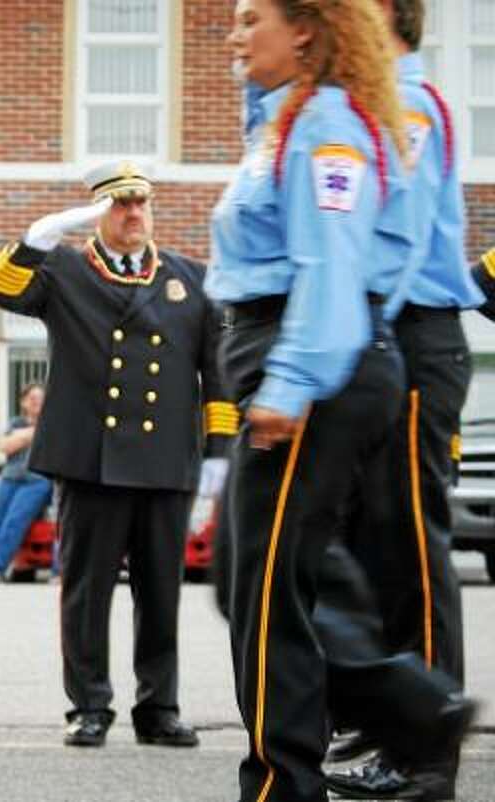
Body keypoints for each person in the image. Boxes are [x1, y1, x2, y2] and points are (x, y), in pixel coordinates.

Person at [209, 3, 471, 800]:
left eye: (252, 16)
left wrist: (295, 381)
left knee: (311, 577)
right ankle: (405, 705)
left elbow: (338, 262)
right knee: (275, 573)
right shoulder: (293, 115)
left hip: (334, 348)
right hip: (311, 348)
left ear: (309, 29)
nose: (234, 32)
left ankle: (317, 768)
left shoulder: (338, 123)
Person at [0, 162, 235, 749]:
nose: (134, 213)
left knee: (160, 592)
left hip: (166, 462)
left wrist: (216, 460)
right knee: (87, 592)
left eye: (141, 202)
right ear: (99, 212)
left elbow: (216, 375)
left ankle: (159, 707)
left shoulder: (190, 279)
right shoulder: (67, 270)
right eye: (121, 204)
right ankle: (89, 705)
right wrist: (39, 238)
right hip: (91, 461)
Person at [319, 1, 485, 796]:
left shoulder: (405, 106)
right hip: (390, 339)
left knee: (414, 550)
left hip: (414, 338)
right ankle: (395, 719)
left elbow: (388, 235)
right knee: (377, 542)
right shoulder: (373, 101)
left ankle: (426, 759)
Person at [0, 383, 51, 584]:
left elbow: (17, 442)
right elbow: (6, 447)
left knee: (13, 523)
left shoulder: (53, 424)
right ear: (23, 402)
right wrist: (32, 433)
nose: (36, 402)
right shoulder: (15, 422)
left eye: (40, 398)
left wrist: (23, 436)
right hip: (10, 478)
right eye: (32, 398)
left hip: (37, 481)